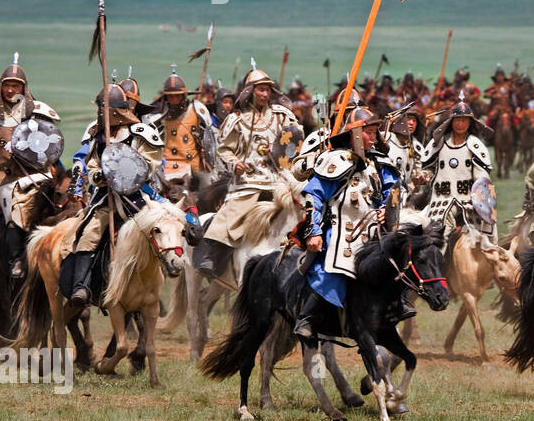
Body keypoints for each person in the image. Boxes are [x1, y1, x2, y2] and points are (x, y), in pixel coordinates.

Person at [294, 107, 399, 339]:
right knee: (339, 264)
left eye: (376, 132)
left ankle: (397, 307)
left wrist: (386, 212)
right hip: (343, 229)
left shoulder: (379, 163)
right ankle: (307, 318)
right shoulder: (336, 160)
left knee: (397, 262)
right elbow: (314, 195)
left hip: (373, 232)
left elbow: (392, 195)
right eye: (369, 132)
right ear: (356, 134)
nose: (374, 137)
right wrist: (314, 231)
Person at [63, 84, 165, 304]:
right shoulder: (98, 135)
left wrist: (121, 173)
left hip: (135, 197)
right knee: (89, 233)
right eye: (101, 109)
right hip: (105, 198)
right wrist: (99, 175)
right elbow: (90, 164)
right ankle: (81, 286)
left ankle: (166, 271)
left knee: (161, 227)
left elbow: (149, 163)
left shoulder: (140, 133)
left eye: (107, 109)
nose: (103, 114)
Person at [194, 66, 301, 276]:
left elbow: (296, 140)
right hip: (249, 181)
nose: (265, 94)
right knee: (234, 210)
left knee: (304, 207)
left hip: (280, 179)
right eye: (260, 90)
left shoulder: (282, 116)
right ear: (250, 91)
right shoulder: (237, 120)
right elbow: (224, 149)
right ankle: (211, 253)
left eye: (267, 90)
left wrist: (281, 148)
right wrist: (236, 164)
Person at [0, 56, 63, 280]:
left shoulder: (38, 111)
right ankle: (16, 261)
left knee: (63, 206)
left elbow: (51, 142)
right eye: (7, 85)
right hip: (8, 178)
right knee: (17, 210)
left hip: (40, 173)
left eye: (16, 85)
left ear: (24, 87)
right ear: (0, 86)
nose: (11, 89)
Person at [421, 95, 494, 249]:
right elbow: (428, 169)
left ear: (470, 123)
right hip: (441, 200)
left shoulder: (475, 145)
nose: (460, 124)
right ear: (451, 122)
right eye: (457, 120)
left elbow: (482, 176)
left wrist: (479, 199)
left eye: (464, 120)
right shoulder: (439, 143)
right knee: (434, 237)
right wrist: (423, 177)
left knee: (488, 237)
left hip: (468, 200)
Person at [145, 65, 216, 199]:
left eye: (177, 96)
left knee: (209, 194)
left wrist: (206, 155)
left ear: (183, 95)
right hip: (168, 165)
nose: (174, 99)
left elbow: (208, 138)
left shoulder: (197, 109)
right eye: (171, 97)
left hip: (194, 164)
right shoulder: (158, 114)